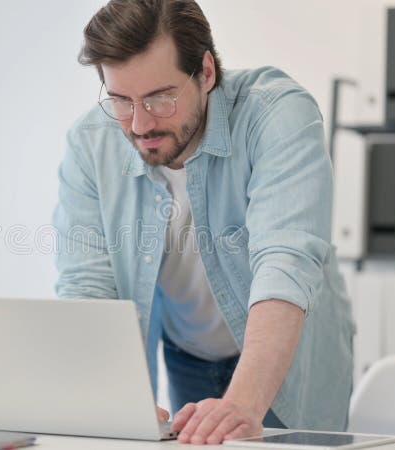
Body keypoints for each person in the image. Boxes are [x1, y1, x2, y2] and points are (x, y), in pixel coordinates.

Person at [53, 0, 354, 445]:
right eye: (121, 100)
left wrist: (244, 404)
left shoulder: (276, 114)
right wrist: (112, 397)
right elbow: (87, 285)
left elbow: (285, 263)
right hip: (186, 354)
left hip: (284, 358)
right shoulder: (90, 144)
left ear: (206, 73)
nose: (140, 124)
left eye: (160, 97)